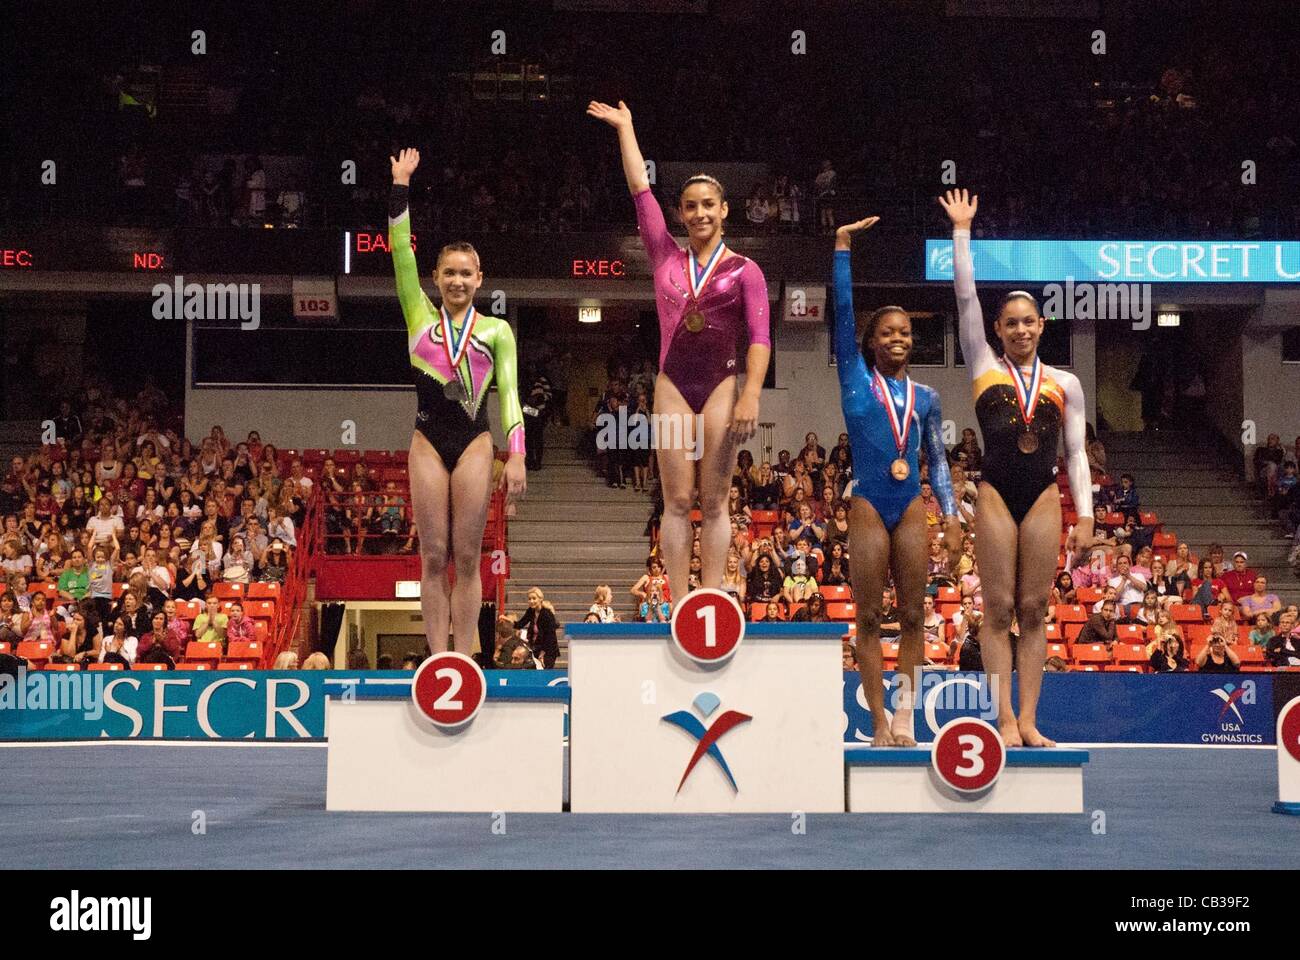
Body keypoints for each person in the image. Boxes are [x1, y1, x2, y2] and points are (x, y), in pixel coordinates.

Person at [589, 100, 771, 609]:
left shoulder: (746, 272)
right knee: (676, 500)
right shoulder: (664, 255)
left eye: (708, 205)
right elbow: (639, 191)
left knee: (714, 501)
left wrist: (750, 395)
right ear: (681, 214)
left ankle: (709, 600)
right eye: (690, 206)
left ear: (724, 210)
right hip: (672, 386)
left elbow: (760, 338)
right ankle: (679, 599)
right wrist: (627, 127)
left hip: (719, 386)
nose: (699, 214)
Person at [941, 188, 1094, 747]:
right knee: (999, 604)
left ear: (1042, 326)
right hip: (997, 492)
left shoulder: (1065, 385)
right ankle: (1002, 717)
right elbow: (963, 299)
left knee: (1034, 607)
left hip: (1045, 494)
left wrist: (1088, 516)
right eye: (1011, 323)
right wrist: (962, 231)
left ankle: (1029, 720)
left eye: (1030, 322)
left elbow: (1075, 453)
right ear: (999, 330)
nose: (1021, 330)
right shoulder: (983, 365)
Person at [389, 148, 527, 655]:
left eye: (466, 273)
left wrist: (517, 456)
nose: (457, 281)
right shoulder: (419, 317)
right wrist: (399, 186)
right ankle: (438, 656)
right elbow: (400, 253)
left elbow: (510, 395)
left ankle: (465, 656)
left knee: (468, 556)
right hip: (427, 439)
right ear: (435, 278)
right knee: (433, 555)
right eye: (448, 273)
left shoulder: (497, 331)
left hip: (475, 441)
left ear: (480, 279)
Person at [833, 215, 961, 746]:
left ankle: (906, 718)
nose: (899, 339)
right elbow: (841, 313)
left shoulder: (927, 398)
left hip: (910, 502)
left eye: (906, 332)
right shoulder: (855, 380)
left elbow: (938, 459)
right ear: (871, 341)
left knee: (913, 612)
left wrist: (951, 516)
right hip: (866, 501)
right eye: (888, 333)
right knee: (867, 616)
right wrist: (842, 250)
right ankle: (878, 723)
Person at [514, 587, 559, 669]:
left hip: (548, 650)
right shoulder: (530, 611)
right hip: (536, 648)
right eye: (529, 599)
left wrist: (542, 653)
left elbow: (550, 636)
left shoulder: (546, 614)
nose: (531, 601)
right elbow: (520, 624)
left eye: (534, 598)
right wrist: (507, 619)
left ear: (540, 599)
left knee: (544, 673)